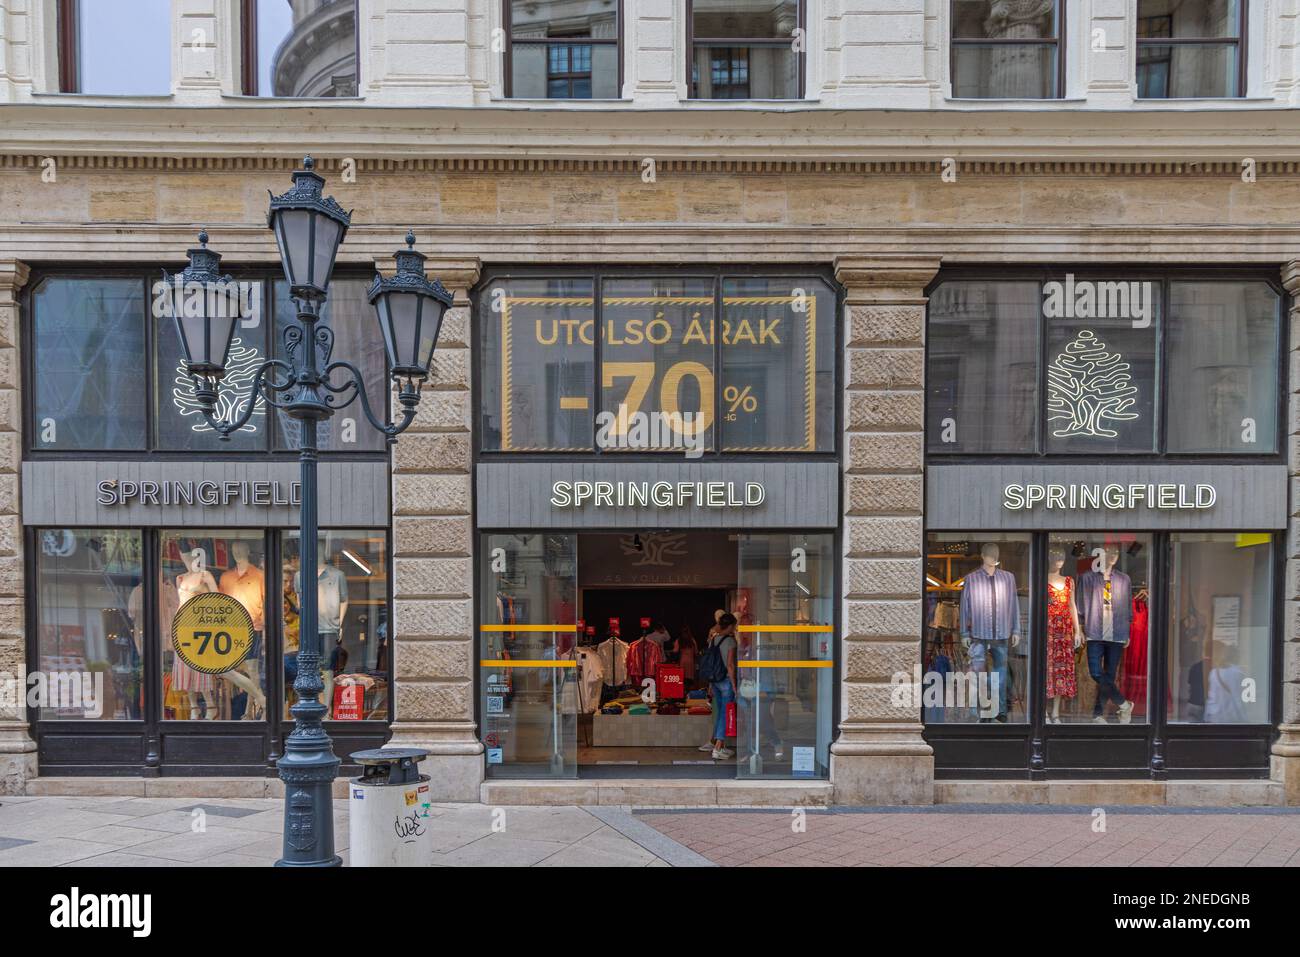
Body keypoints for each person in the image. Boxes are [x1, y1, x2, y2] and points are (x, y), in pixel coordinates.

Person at [698, 612, 738, 760]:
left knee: (720, 711)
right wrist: (734, 685)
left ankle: (717, 743)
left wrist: (710, 684)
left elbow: (711, 663)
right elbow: (730, 665)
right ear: (731, 626)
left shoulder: (713, 640)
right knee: (724, 714)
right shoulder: (731, 642)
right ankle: (718, 747)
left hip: (715, 680)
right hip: (726, 681)